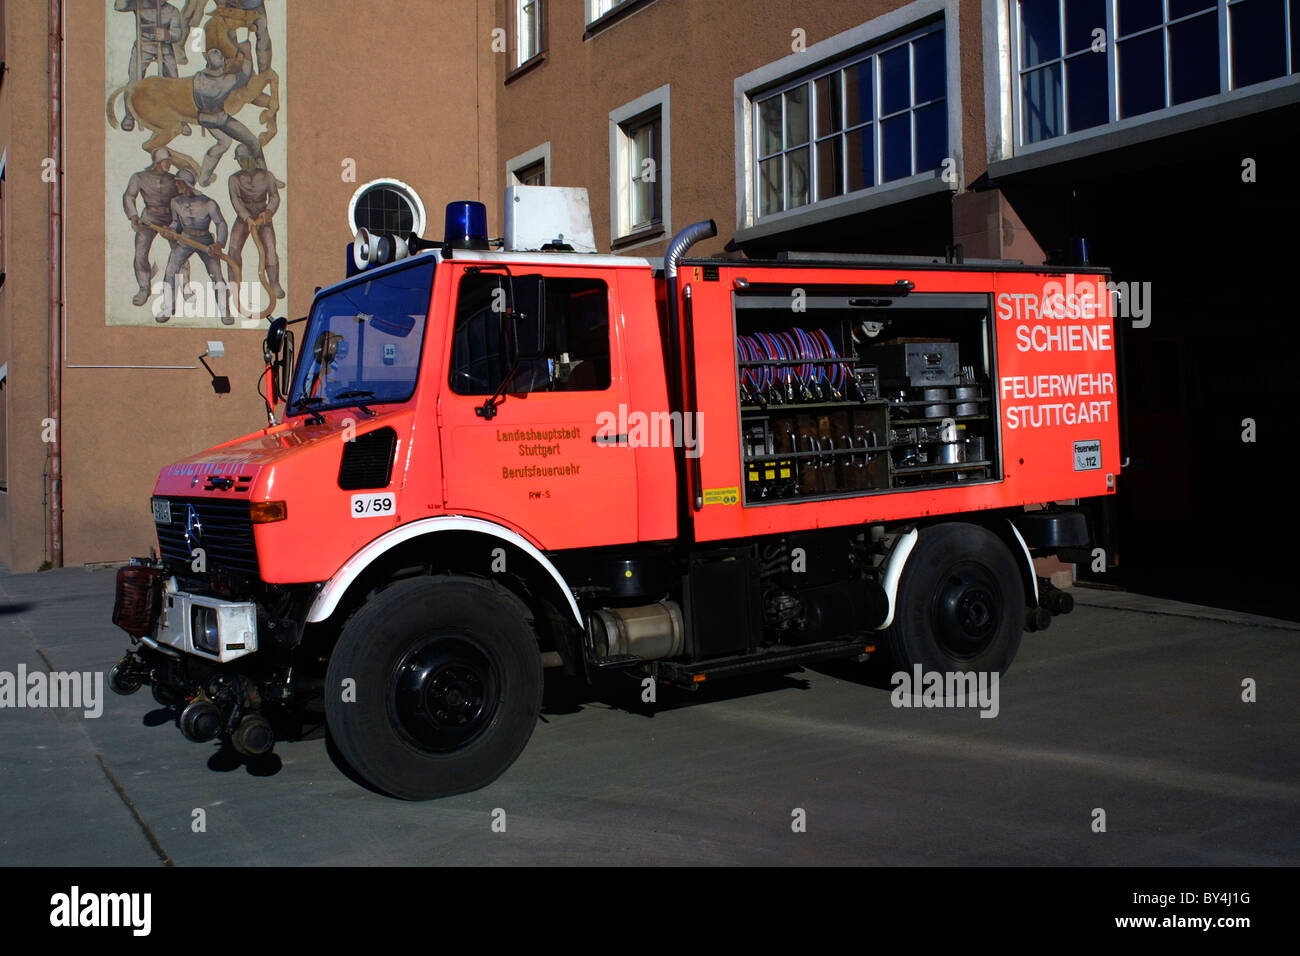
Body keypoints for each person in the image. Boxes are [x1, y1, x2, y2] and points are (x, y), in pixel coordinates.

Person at [122, 147, 191, 307]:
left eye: (169, 161)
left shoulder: (175, 179)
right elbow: (129, 196)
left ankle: (185, 286)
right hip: (149, 218)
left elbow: (184, 199)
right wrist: (133, 216)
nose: (169, 164)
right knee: (140, 253)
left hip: (171, 218)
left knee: (182, 253)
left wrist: (179, 223)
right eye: (166, 161)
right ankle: (144, 287)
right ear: (158, 162)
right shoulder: (139, 177)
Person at [163, 170, 231, 324]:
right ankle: (168, 307)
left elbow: (220, 223)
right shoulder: (175, 202)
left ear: (187, 183)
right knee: (170, 271)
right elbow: (175, 222)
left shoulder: (208, 203)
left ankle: (225, 310)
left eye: (179, 182)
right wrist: (170, 230)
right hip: (185, 238)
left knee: (217, 276)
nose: (176, 184)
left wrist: (219, 244)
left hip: (205, 241)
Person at [193, 44, 265, 187]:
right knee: (253, 142)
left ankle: (203, 178)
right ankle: (264, 175)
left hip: (203, 117)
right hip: (219, 119)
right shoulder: (226, 81)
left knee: (224, 142)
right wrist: (245, 55)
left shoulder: (198, 77)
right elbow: (245, 75)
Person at [114, 0, 187, 131]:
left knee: (174, 80)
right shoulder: (139, 4)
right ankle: (130, 115)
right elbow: (119, 6)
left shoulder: (172, 11)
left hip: (164, 48)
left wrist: (167, 35)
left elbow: (177, 33)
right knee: (134, 79)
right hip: (143, 46)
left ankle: (180, 118)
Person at [227, 144, 284, 301]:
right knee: (233, 249)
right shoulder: (234, 179)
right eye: (239, 160)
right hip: (244, 218)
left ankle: (274, 283)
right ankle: (234, 286)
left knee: (270, 249)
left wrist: (268, 212)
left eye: (244, 159)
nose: (241, 163)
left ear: (252, 158)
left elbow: (274, 197)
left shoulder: (267, 176)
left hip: (263, 218)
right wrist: (246, 218)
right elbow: (236, 200)